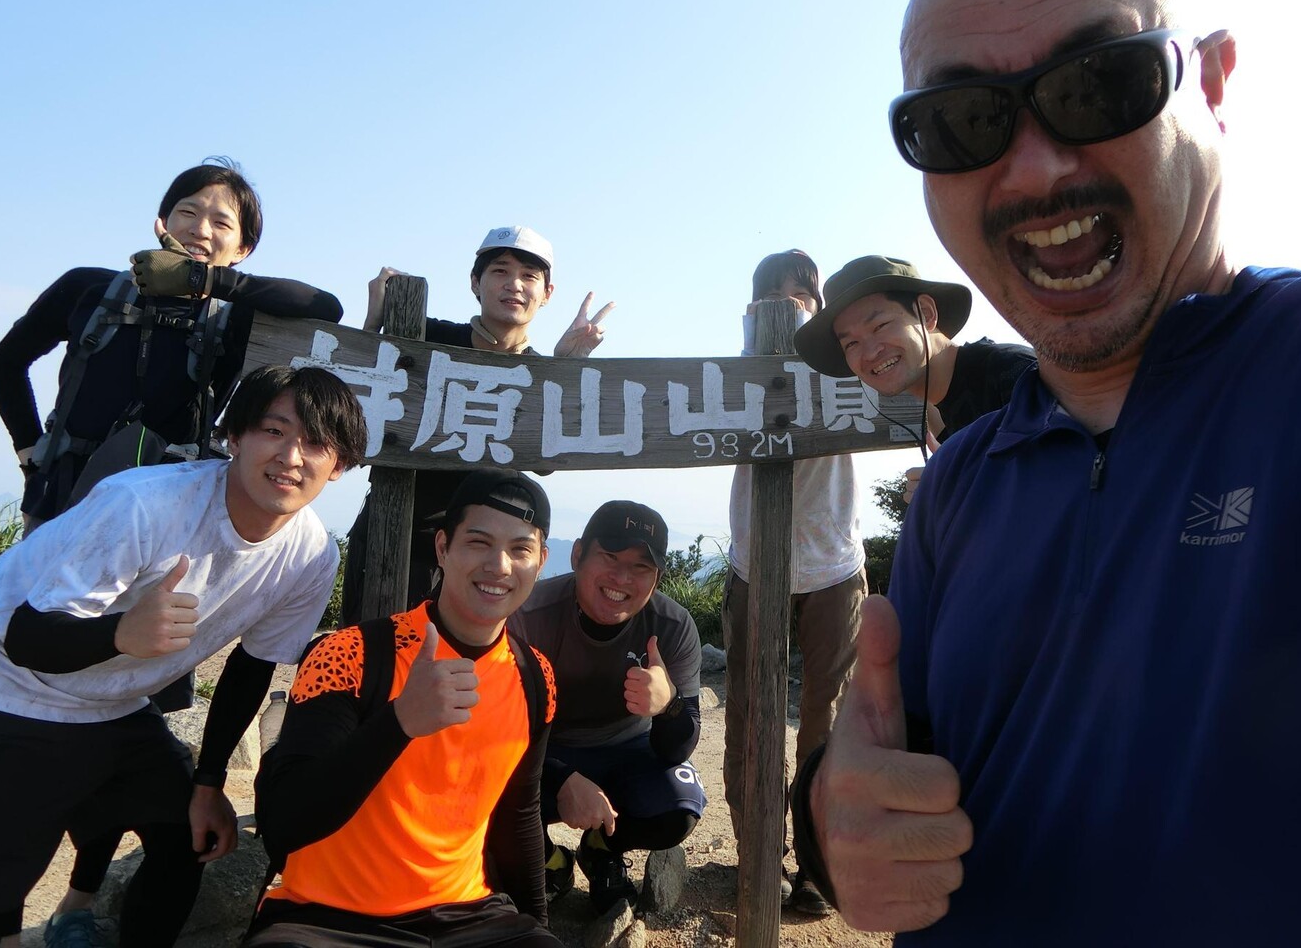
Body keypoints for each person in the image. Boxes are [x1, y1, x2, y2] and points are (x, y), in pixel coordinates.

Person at [792, 0, 1301, 946]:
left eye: (1098, 84)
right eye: (963, 122)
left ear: (1210, 84)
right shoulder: (961, 485)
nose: (1032, 168)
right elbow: (895, 767)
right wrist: (829, 821)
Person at [0, 365, 369, 948]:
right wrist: (120, 635)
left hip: (113, 704)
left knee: (191, 835)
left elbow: (252, 666)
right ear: (235, 438)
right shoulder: (143, 504)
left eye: (316, 443)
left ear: (341, 465)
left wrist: (209, 781)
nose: (292, 456)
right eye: (274, 431)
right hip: (1, 687)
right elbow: (26, 638)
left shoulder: (309, 554)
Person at [248, 468, 558, 948]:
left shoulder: (533, 675)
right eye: (477, 542)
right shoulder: (350, 654)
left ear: (541, 561)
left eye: (520, 549)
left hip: (466, 916)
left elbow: (520, 814)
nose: (499, 565)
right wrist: (398, 723)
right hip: (326, 920)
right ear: (442, 549)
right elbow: (285, 825)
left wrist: (538, 928)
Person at [0, 158, 344, 533]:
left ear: (243, 249)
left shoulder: (235, 316)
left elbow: (324, 306)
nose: (200, 229)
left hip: (169, 519)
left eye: (221, 222)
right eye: (187, 212)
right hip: (60, 500)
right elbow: (6, 364)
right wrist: (29, 450)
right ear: (163, 223)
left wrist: (203, 279)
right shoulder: (88, 289)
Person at [341, 226, 615, 623]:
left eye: (529, 276)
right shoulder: (424, 337)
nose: (514, 285)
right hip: (393, 539)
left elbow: (546, 460)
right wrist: (373, 323)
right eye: (500, 271)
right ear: (475, 282)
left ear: (547, 294)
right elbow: (347, 405)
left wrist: (564, 370)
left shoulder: (538, 370)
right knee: (369, 668)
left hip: (482, 557)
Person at [723, 249, 866, 915]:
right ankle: (759, 854)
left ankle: (817, 860)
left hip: (834, 560)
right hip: (755, 559)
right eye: (774, 296)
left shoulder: (848, 361)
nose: (791, 306)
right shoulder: (738, 371)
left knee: (826, 716)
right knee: (751, 713)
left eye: (803, 295)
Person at [509, 501, 705, 915]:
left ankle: (601, 850)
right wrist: (562, 779)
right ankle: (548, 861)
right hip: (539, 749)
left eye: (641, 567)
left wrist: (667, 706)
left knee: (678, 807)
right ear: (578, 554)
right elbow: (497, 730)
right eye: (610, 557)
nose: (621, 578)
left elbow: (678, 749)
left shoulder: (672, 625)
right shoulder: (529, 615)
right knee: (470, 779)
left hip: (625, 751)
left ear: (657, 578)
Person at [794, 253, 1035, 499]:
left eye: (880, 326)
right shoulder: (944, 416)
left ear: (926, 314)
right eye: (851, 343)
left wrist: (960, 487)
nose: (869, 353)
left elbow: (1066, 484)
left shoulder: (1014, 374)